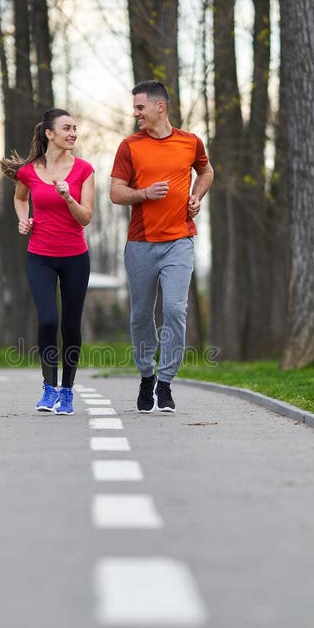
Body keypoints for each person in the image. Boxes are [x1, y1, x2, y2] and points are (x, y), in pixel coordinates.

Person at [110, 80, 214, 413]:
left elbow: (207, 171)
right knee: (141, 316)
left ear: (160, 107)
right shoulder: (130, 146)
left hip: (179, 241)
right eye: (135, 108)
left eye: (140, 107)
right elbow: (115, 192)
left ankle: (166, 382)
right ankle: (146, 376)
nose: (136, 113)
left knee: (175, 309)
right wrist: (143, 194)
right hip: (141, 244)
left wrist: (196, 196)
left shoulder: (190, 142)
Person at [0, 108, 95, 415]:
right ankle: (48, 388)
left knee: (69, 325)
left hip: (75, 258)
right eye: (67, 128)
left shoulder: (84, 170)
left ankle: (67, 392)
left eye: (75, 128)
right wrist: (23, 220)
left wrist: (69, 197)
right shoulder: (28, 171)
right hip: (40, 256)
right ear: (49, 134)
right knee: (48, 320)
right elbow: (19, 197)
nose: (73, 133)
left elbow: (87, 217)